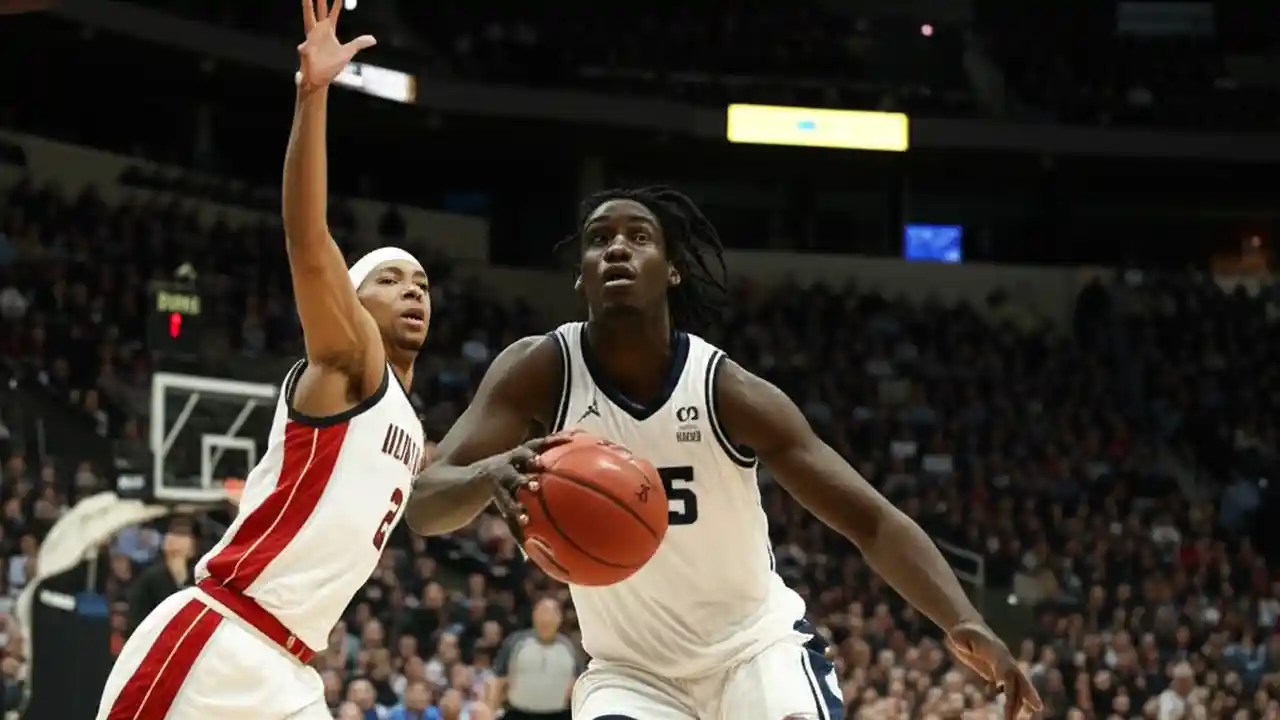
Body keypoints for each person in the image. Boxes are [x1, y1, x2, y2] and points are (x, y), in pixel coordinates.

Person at [408, 187, 1045, 720]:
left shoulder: (726, 392)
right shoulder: (539, 371)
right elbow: (424, 504)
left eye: (639, 237)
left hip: (755, 653)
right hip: (630, 675)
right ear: (582, 275)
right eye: (599, 240)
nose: (617, 248)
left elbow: (870, 520)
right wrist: (489, 474)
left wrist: (962, 616)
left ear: (672, 270)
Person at [96, 2, 431, 717]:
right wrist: (313, 96)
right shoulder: (351, 360)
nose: (412, 290)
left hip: (291, 672)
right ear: (350, 300)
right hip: (217, 641)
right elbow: (307, 238)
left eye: (422, 283)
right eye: (390, 279)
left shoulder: (411, 424)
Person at [490, 597, 579, 720]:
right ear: (534, 616)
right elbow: (498, 680)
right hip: (518, 714)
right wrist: (492, 710)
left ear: (559, 618)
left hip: (559, 715)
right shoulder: (516, 643)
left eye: (551, 613)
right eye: (542, 612)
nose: (546, 618)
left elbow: (577, 683)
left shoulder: (569, 647)